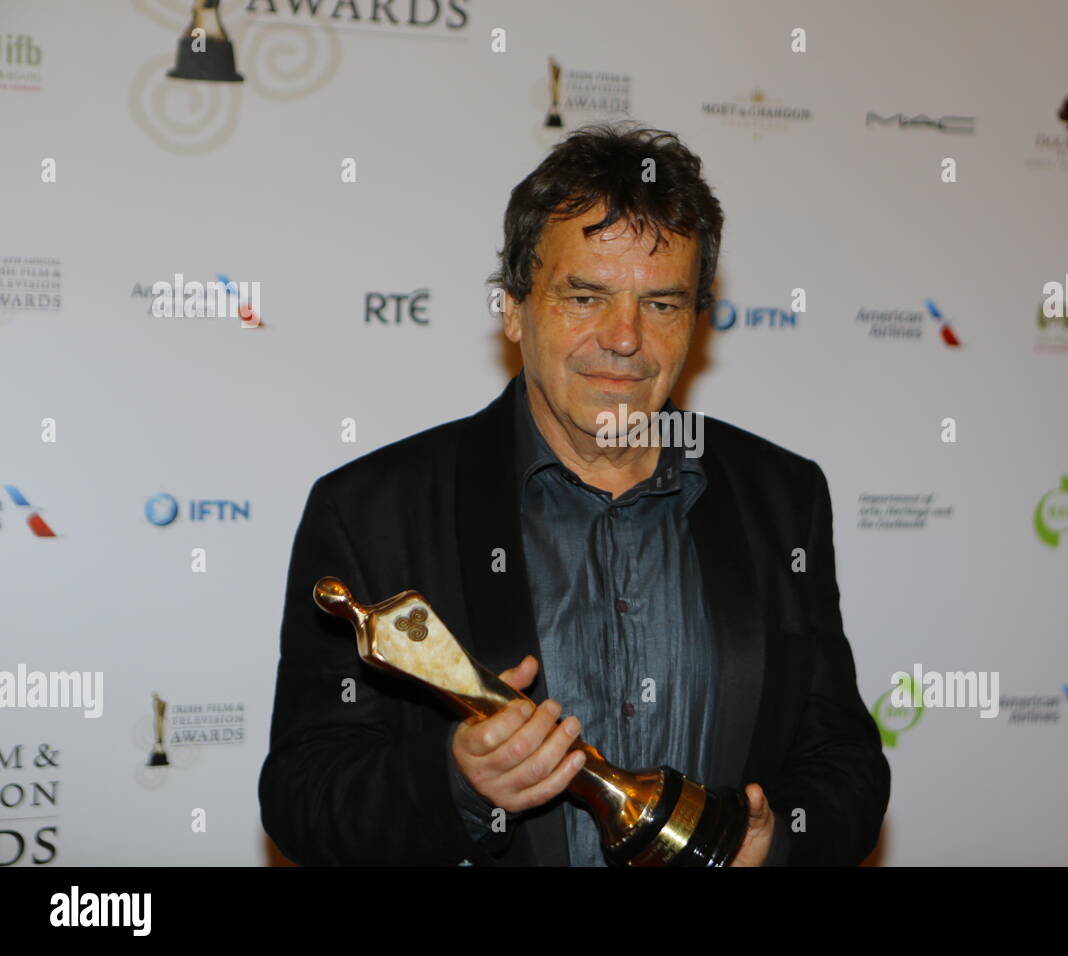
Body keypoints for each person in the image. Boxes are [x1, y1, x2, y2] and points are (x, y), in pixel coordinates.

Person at [258, 121, 889, 866]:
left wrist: (774, 846)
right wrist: (459, 782)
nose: (624, 338)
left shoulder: (782, 496)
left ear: (697, 319)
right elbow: (303, 793)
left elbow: (843, 757)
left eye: (661, 304)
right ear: (515, 309)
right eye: (585, 296)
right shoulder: (371, 510)